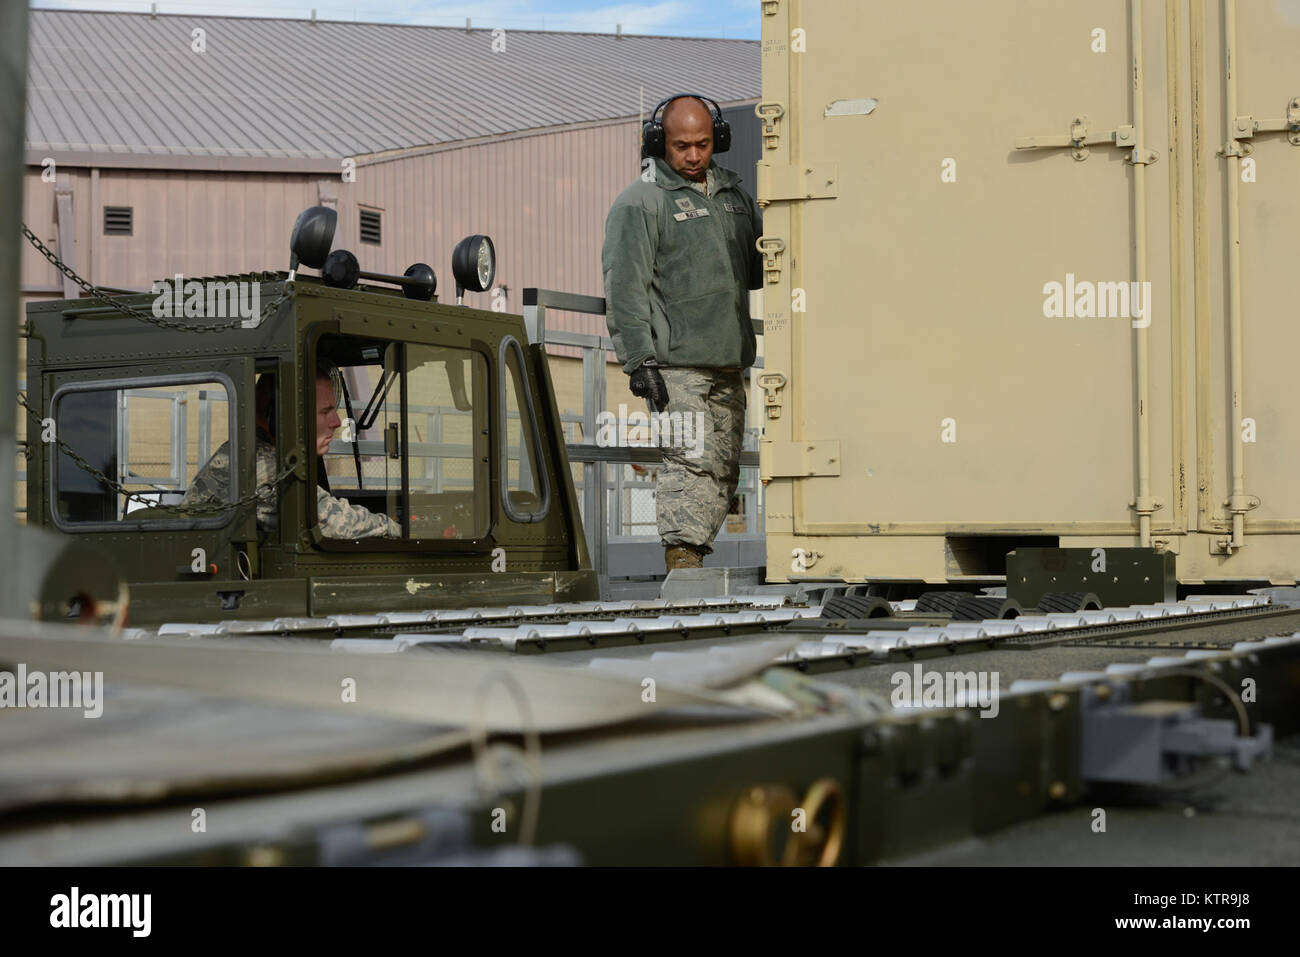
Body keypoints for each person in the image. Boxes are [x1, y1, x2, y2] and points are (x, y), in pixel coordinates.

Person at [602, 94, 763, 571]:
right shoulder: (640, 203)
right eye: (680, 146)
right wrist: (638, 360)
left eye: (703, 144)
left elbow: (758, 268)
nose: (693, 156)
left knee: (724, 467)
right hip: (674, 365)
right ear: (658, 143)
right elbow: (624, 286)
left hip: (729, 358)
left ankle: (696, 554)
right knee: (689, 460)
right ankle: (682, 560)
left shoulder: (735, 197)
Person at [182, 363, 400, 538]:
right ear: (280, 413)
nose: (336, 422)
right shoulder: (262, 465)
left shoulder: (247, 451)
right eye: (325, 412)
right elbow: (333, 523)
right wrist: (395, 527)